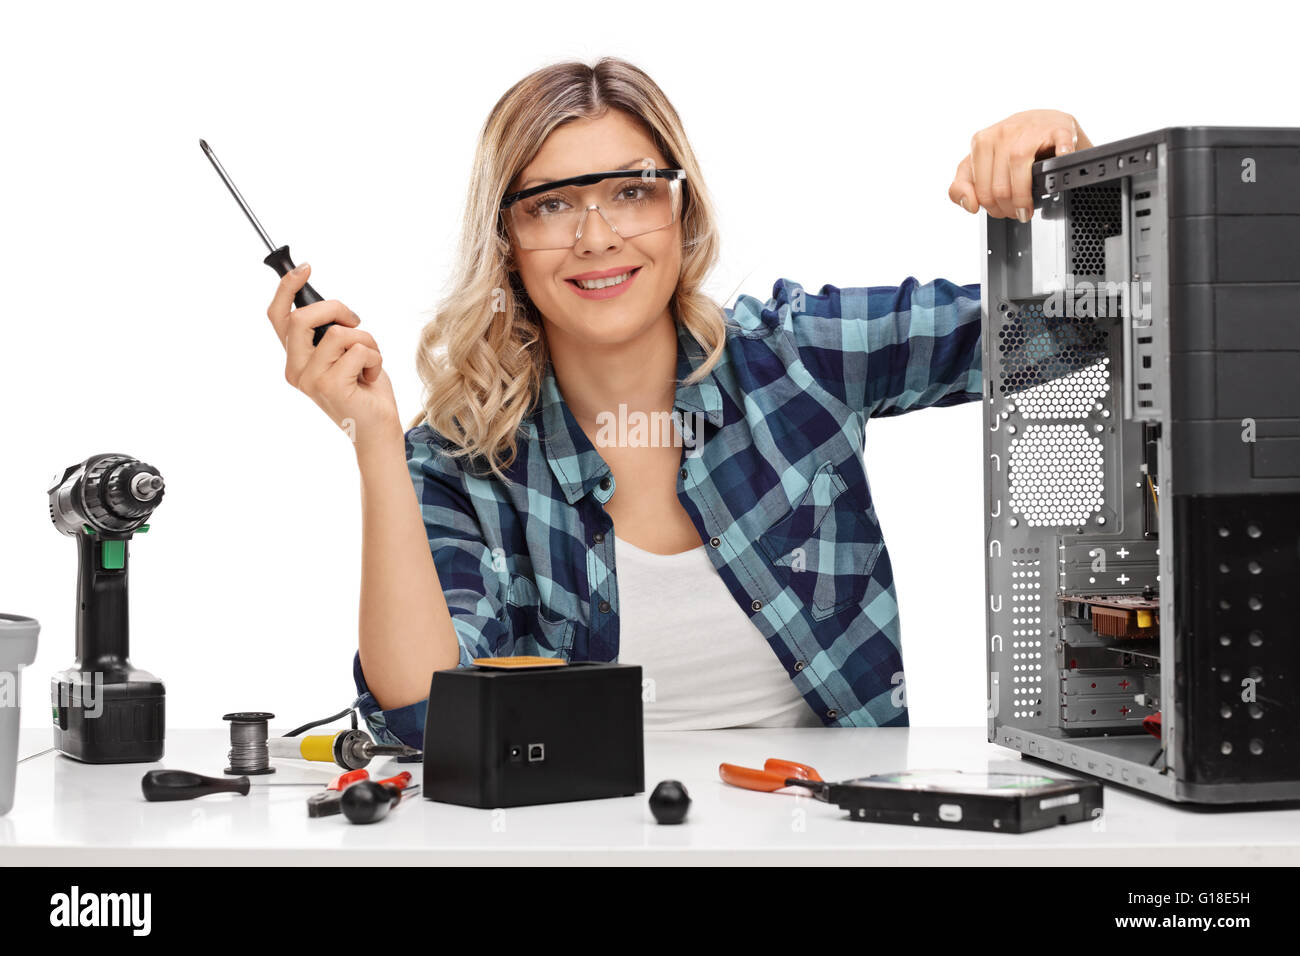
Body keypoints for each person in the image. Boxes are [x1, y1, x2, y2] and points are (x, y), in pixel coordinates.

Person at [264, 57, 1092, 748]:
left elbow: (1094, 327)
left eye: (629, 192)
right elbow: (420, 721)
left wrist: (1072, 178)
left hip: (831, 840)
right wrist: (371, 436)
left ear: (681, 208)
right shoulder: (461, 460)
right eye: (550, 204)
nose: (596, 237)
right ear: (507, 244)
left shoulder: (795, 355)